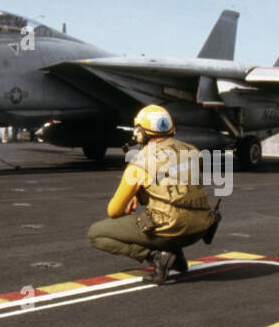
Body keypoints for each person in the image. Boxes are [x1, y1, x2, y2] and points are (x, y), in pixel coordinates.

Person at [86, 105, 215, 283]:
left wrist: (135, 193)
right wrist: (139, 194)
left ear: (141, 133)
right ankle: (176, 258)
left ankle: (156, 257)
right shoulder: (193, 151)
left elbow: (114, 211)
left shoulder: (140, 162)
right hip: (201, 228)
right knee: (170, 207)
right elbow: (176, 188)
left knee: (95, 233)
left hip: (170, 230)